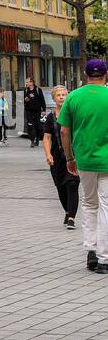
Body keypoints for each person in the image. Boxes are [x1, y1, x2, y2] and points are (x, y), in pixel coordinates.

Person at [59, 58, 108, 274]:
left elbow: (64, 131)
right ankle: (104, 258)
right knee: (106, 206)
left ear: (85, 75)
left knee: (89, 203)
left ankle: (91, 251)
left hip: (84, 159)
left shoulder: (73, 97)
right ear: (106, 75)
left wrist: (69, 158)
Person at [42, 85, 78, 229]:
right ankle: (67, 211)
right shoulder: (51, 117)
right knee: (61, 187)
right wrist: (48, 154)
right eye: (58, 95)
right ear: (54, 98)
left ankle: (71, 218)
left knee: (72, 184)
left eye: (64, 95)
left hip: (73, 154)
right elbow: (46, 137)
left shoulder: (74, 114)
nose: (61, 97)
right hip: (57, 156)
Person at [24, 76, 47, 148]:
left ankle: (37, 138)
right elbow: (24, 100)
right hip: (29, 111)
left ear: (32, 82)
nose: (26, 83)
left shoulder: (38, 90)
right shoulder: (26, 90)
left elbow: (42, 100)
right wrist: (27, 99)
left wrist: (44, 110)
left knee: (38, 126)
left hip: (37, 111)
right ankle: (32, 141)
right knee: (30, 126)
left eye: (27, 82)